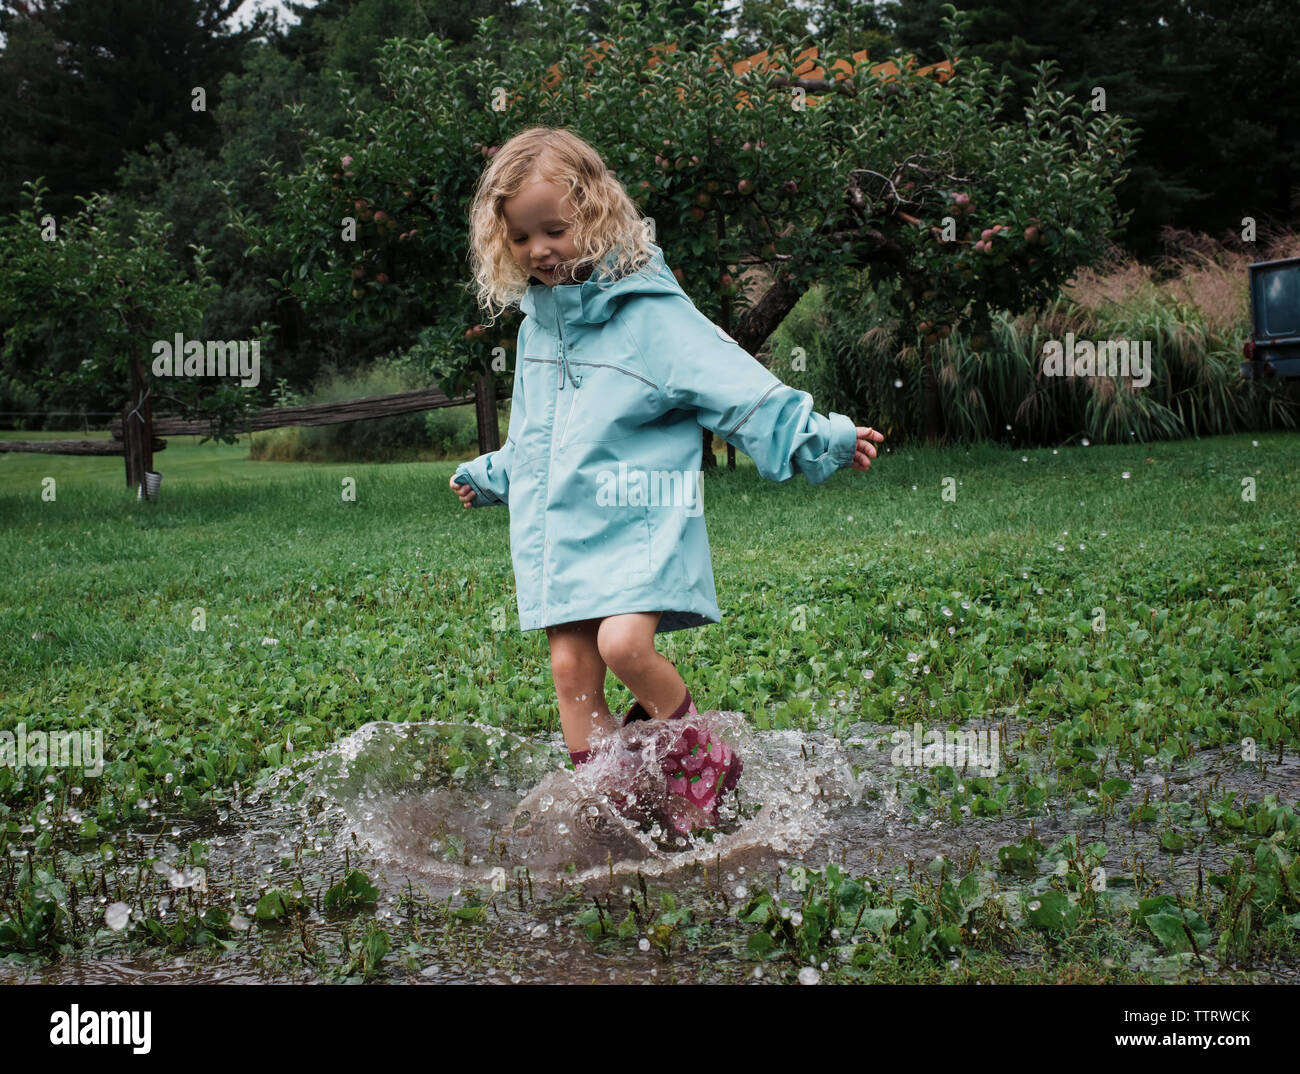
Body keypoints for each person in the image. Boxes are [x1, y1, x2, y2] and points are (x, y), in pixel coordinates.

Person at [449, 126, 886, 835]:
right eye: (523, 239)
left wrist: (820, 438)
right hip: (563, 529)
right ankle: (616, 803)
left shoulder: (652, 315)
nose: (540, 251)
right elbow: (536, 435)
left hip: (641, 519)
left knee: (624, 645)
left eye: (555, 229)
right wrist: (493, 474)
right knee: (569, 668)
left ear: (594, 214)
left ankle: (706, 761)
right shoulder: (536, 330)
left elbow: (737, 386)